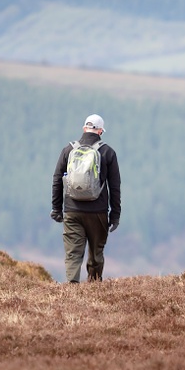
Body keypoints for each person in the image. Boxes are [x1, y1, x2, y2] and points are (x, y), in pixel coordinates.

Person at [51, 113, 121, 282]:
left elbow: (57, 179)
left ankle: (72, 289)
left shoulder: (68, 150)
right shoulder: (108, 152)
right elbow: (115, 187)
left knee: (73, 253)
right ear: (101, 132)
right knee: (96, 252)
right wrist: (115, 215)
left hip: (72, 211)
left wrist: (56, 208)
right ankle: (94, 287)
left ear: (84, 128)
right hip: (98, 212)